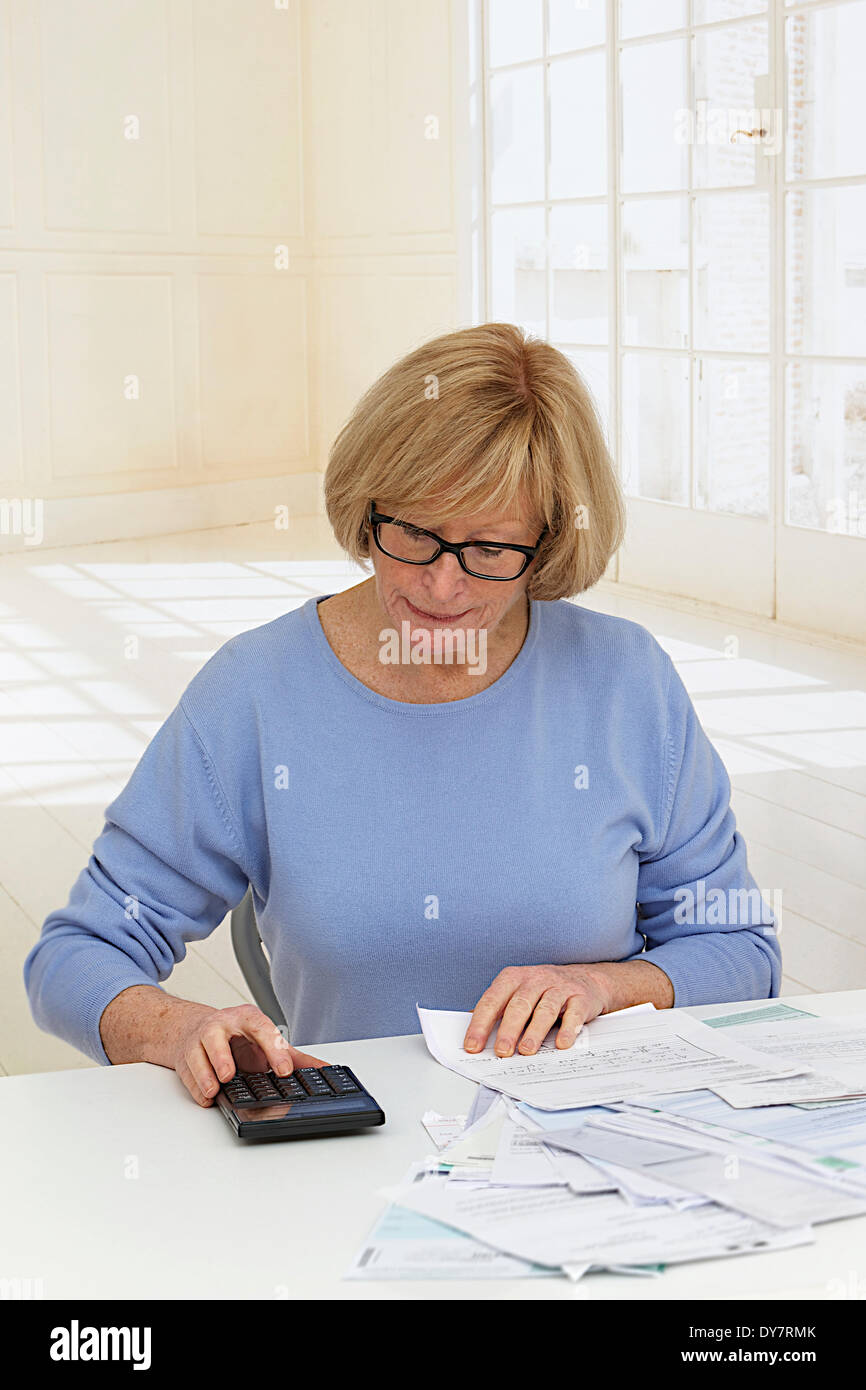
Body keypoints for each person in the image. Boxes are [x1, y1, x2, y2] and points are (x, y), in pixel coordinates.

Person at [23, 322, 781, 1107]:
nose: (441, 589)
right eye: (414, 533)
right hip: (355, 1155)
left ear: (548, 541)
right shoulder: (254, 692)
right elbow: (75, 956)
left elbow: (739, 950)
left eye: (490, 549)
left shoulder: (627, 682)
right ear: (368, 506)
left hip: (604, 1144)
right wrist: (177, 1029)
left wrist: (602, 985)